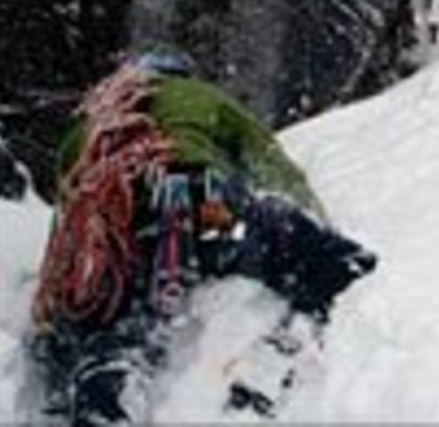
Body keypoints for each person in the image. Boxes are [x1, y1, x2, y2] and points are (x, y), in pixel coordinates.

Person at [28, 52, 376, 426]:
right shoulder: (200, 96)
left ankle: (106, 393)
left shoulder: (89, 129)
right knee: (292, 248)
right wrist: (313, 217)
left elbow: (69, 233)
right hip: (206, 207)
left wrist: (54, 314)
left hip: (120, 230)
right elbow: (268, 161)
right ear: (180, 75)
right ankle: (301, 326)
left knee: (115, 324)